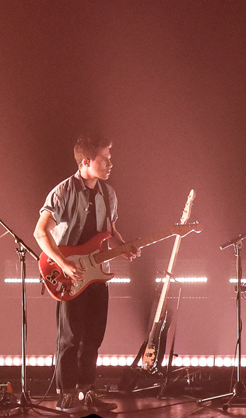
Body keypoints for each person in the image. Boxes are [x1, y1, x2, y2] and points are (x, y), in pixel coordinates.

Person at [34, 135, 138, 414]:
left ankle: (88, 391)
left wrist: (123, 247)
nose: (110, 164)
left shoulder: (109, 194)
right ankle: (67, 394)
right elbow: (40, 232)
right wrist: (63, 263)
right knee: (70, 337)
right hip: (67, 273)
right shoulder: (63, 192)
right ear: (86, 162)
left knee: (93, 335)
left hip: (96, 274)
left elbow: (110, 233)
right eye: (105, 159)